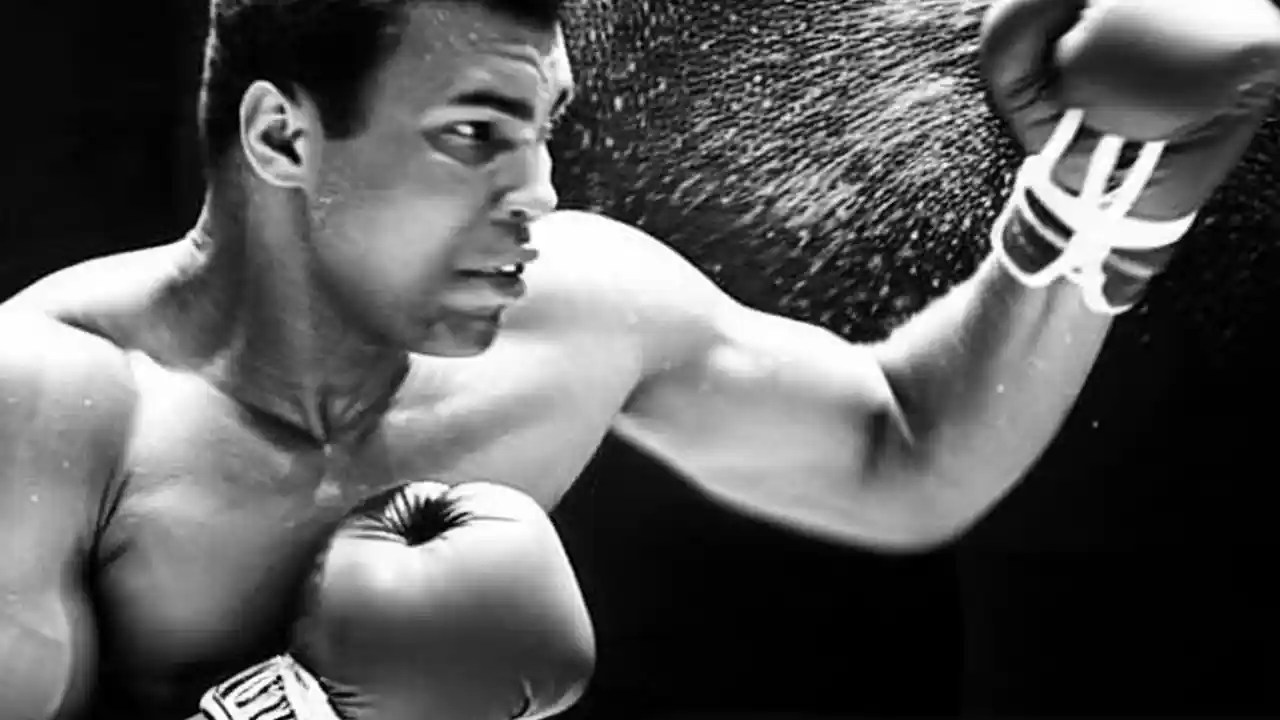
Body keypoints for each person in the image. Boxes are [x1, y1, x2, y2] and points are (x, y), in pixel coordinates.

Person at [1, 0, 1278, 717]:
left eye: (544, 130)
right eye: (473, 134)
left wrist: (1094, 207)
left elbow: (901, 454)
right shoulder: (56, 408)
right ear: (283, 137)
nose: (538, 195)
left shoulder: (581, 303)